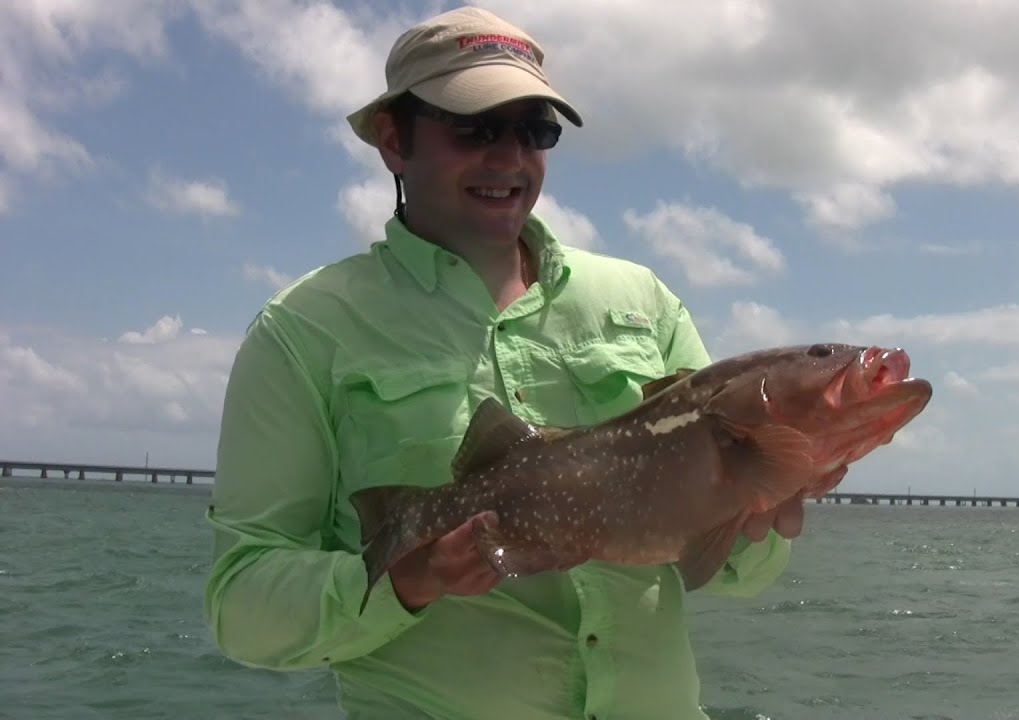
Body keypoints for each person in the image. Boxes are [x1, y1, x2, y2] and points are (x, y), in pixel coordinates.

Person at [203, 7, 836, 719]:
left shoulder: (643, 303)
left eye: (535, 130)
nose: (508, 156)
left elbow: (736, 574)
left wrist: (764, 503)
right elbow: (242, 604)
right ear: (393, 139)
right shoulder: (304, 332)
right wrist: (404, 583)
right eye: (474, 127)